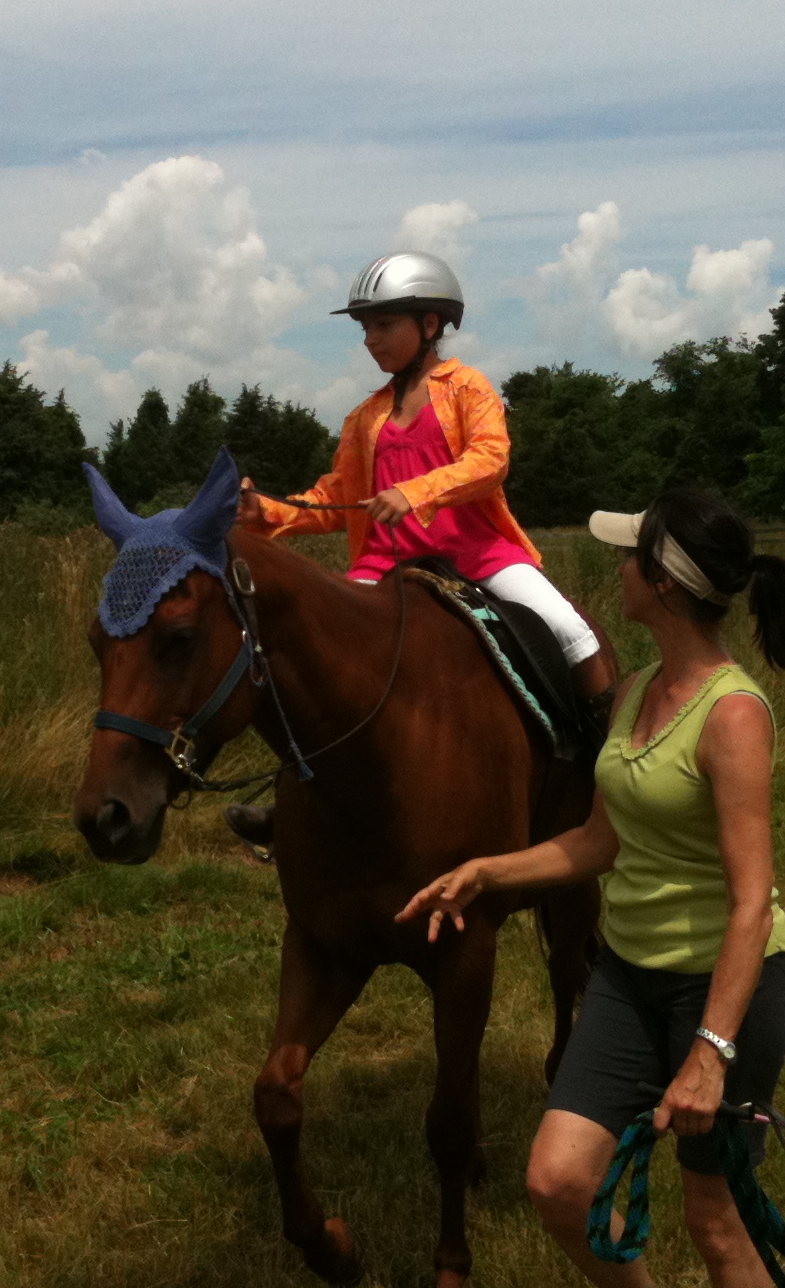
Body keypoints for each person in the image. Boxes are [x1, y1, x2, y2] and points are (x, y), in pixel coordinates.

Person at [397, 489, 785, 1288]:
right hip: (627, 977)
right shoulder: (633, 691)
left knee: (716, 1220)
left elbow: (749, 903)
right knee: (557, 1183)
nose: (616, 568)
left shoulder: (732, 714)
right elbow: (599, 840)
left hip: (723, 988)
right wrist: (488, 871)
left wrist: (708, 1053)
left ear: (664, 582)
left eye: (631, 557)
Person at [229, 250, 613, 853]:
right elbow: (337, 497)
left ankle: (611, 776)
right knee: (312, 660)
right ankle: (293, 800)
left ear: (429, 324)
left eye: (383, 325)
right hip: (384, 566)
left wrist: (416, 492)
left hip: (480, 555)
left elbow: (491, 459)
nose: (370, 340)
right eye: (365, 329)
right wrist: (267, 514)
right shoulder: (365, 417)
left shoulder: (468, 388)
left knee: (572, 634)